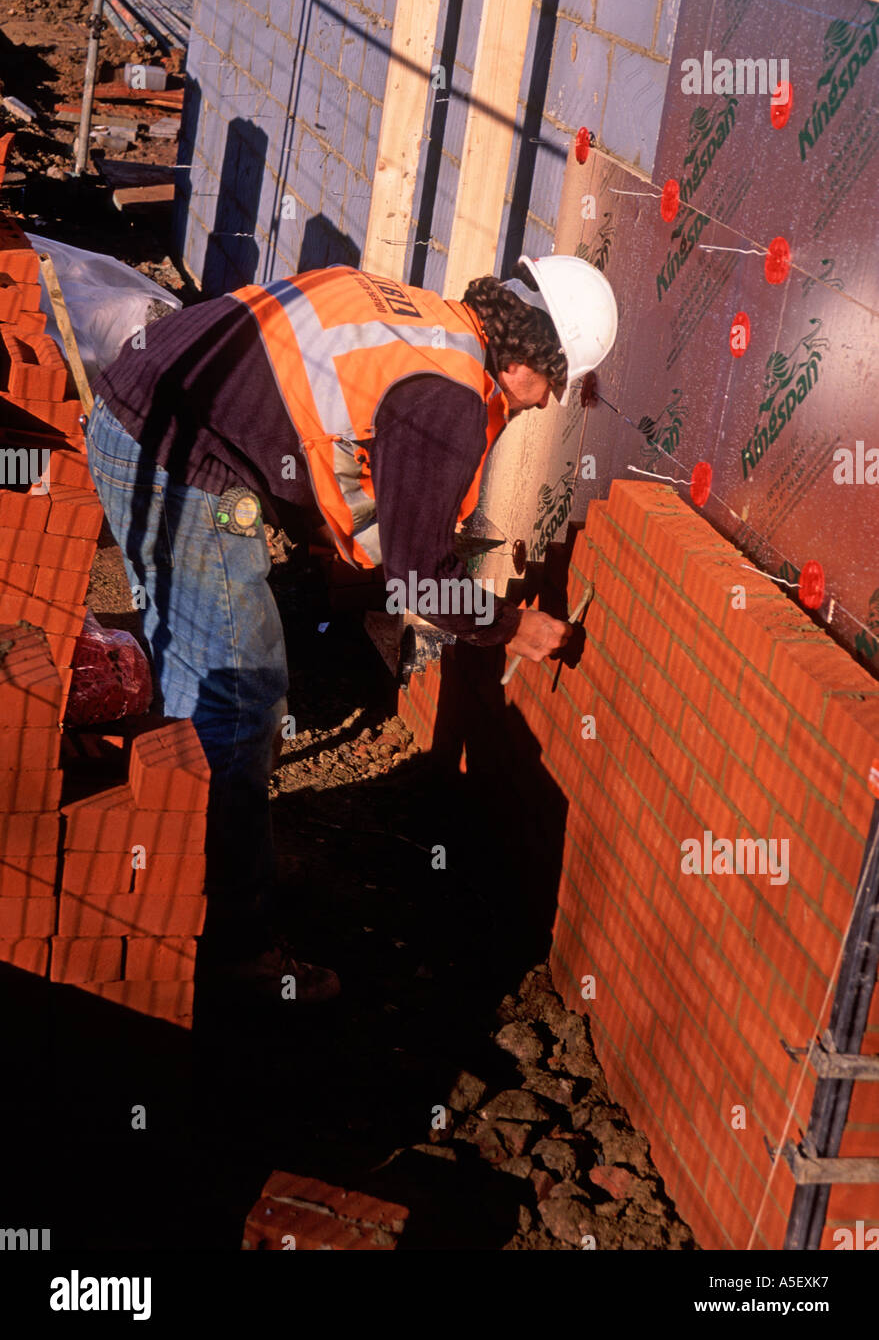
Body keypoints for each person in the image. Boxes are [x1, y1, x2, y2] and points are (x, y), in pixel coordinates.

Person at [84, 254, 618, 1003]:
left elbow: (313, 411)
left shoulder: (425, 321)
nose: (539, 406)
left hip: (136, 415)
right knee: (242, 702)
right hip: (172, 460)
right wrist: (511, 626)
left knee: (198, 670)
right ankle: (232, 946)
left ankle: (167, 868)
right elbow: (419, 581)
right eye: (551, 390)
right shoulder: (451, 396)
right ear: (533, 359)